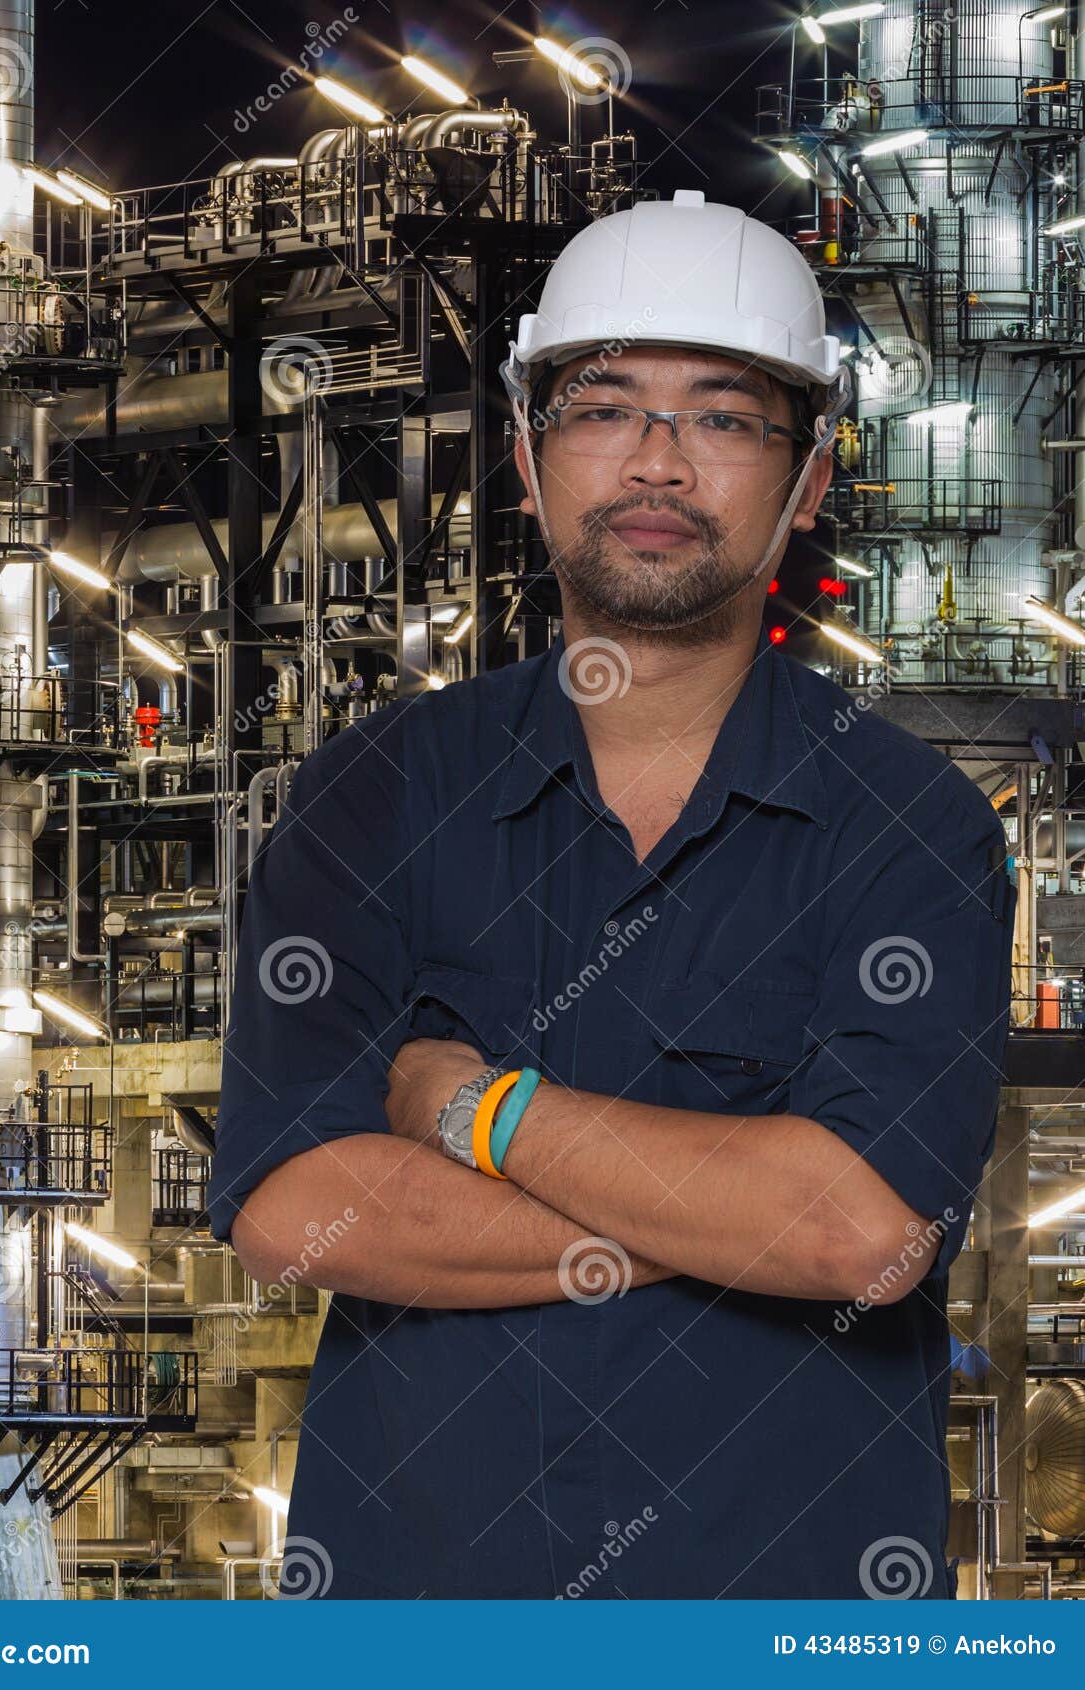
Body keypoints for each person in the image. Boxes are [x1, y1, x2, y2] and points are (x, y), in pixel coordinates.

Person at [209, 191, 1016, 1599]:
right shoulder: (381, 796)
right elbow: (295, 1212)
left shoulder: (907, 823)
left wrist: (476, 1111)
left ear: (809, 479)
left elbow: (859, 1231)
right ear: (528, 459)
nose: (658, 459)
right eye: (605, 407)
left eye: (723, 414)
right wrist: (723, 1215)